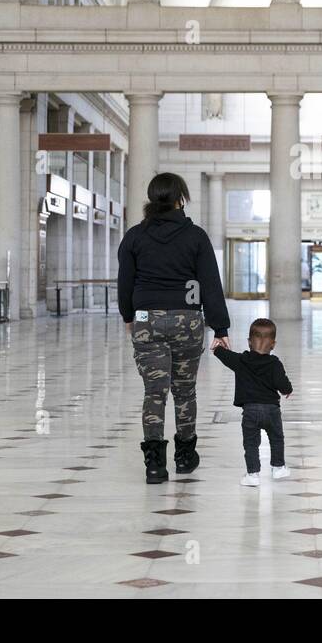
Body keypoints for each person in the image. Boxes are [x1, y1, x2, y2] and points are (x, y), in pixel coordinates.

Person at [119, 172, 230, 484]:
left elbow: (125, 281)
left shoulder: (135, 236)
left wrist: (129, 315)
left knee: (154, 391)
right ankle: (184, 456)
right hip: (188, 319)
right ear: (181, 198)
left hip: (146, 320)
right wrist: (220, 327)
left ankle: (154, 465)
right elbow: (210, 284)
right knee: (184, 390)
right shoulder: (195, 236)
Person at [212, 319, 293, 487]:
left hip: (250, 411)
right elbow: (282, 383)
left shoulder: (241, 360)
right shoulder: (275, 363)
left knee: (251, 443)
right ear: (273, 344)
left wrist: (218, 347)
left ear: (249, 341)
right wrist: (287, 390)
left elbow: (224, 356)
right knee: (277, 439)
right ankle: (278, 468)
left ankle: (253, 475)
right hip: (272, 411)